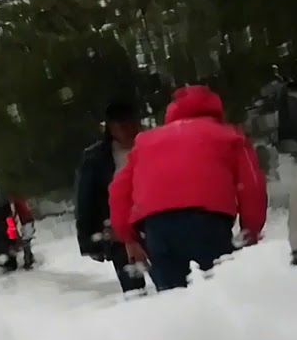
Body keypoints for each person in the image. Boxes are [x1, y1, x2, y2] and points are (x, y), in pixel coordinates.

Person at [108, 85, 267, 292]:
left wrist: (129, 239)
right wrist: (250, 231)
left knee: (174, 299)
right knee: (222, 295)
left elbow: (119, 191)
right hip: (208, 222)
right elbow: (252, 185)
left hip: (158, 228)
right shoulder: (230, 136)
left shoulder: (146, 141)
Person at [75, 100, 146, 293]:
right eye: (121, 126)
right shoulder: (96, 158)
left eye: (130, 125)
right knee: (134, 289)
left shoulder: (151, 145)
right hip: (117, 231)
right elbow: (86, 200)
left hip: (154, 223)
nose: (126, 131)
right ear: (111, 129)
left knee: (171, 285)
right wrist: (89, 241)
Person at [9, 194, 36, 269]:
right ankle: (29, 260)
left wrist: (14, 220)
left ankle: (28, 261)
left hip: (25, 222)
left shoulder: (16, 202)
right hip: (28, 221)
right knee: (27, 241)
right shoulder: (21, 200)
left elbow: (15, 213)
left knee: (26, 241)